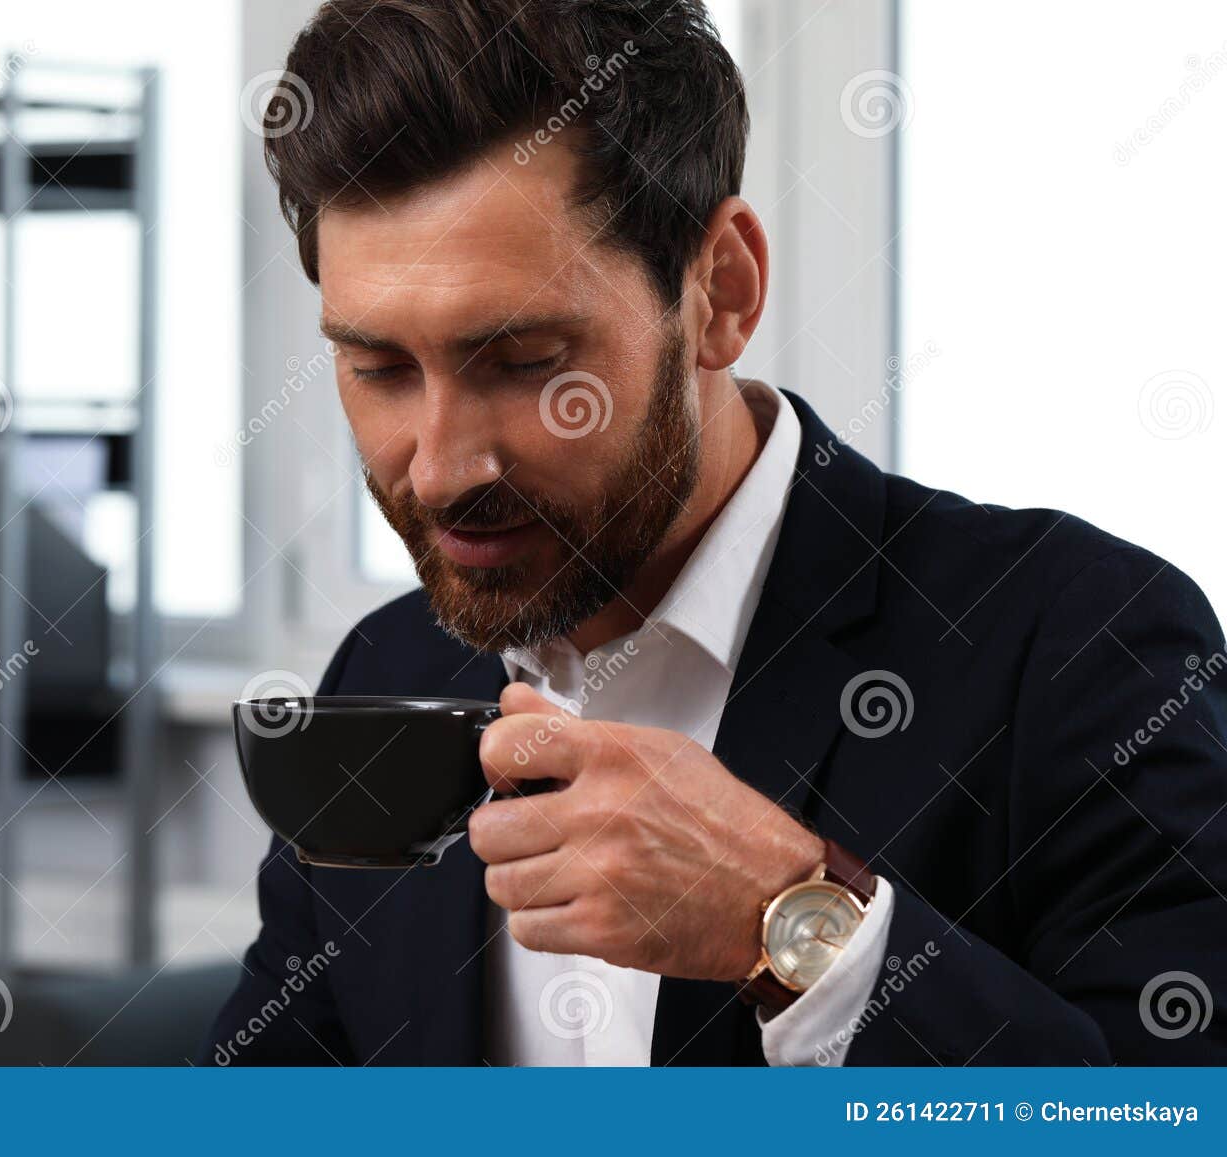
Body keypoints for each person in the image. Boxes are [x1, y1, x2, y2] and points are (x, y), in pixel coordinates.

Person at [202, 0, 1227, 1065]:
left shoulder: (1076, 644)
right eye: (378, 369)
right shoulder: (384, 667)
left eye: (524, 361)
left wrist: (793, 922)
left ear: (722, 293)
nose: (440, 469)